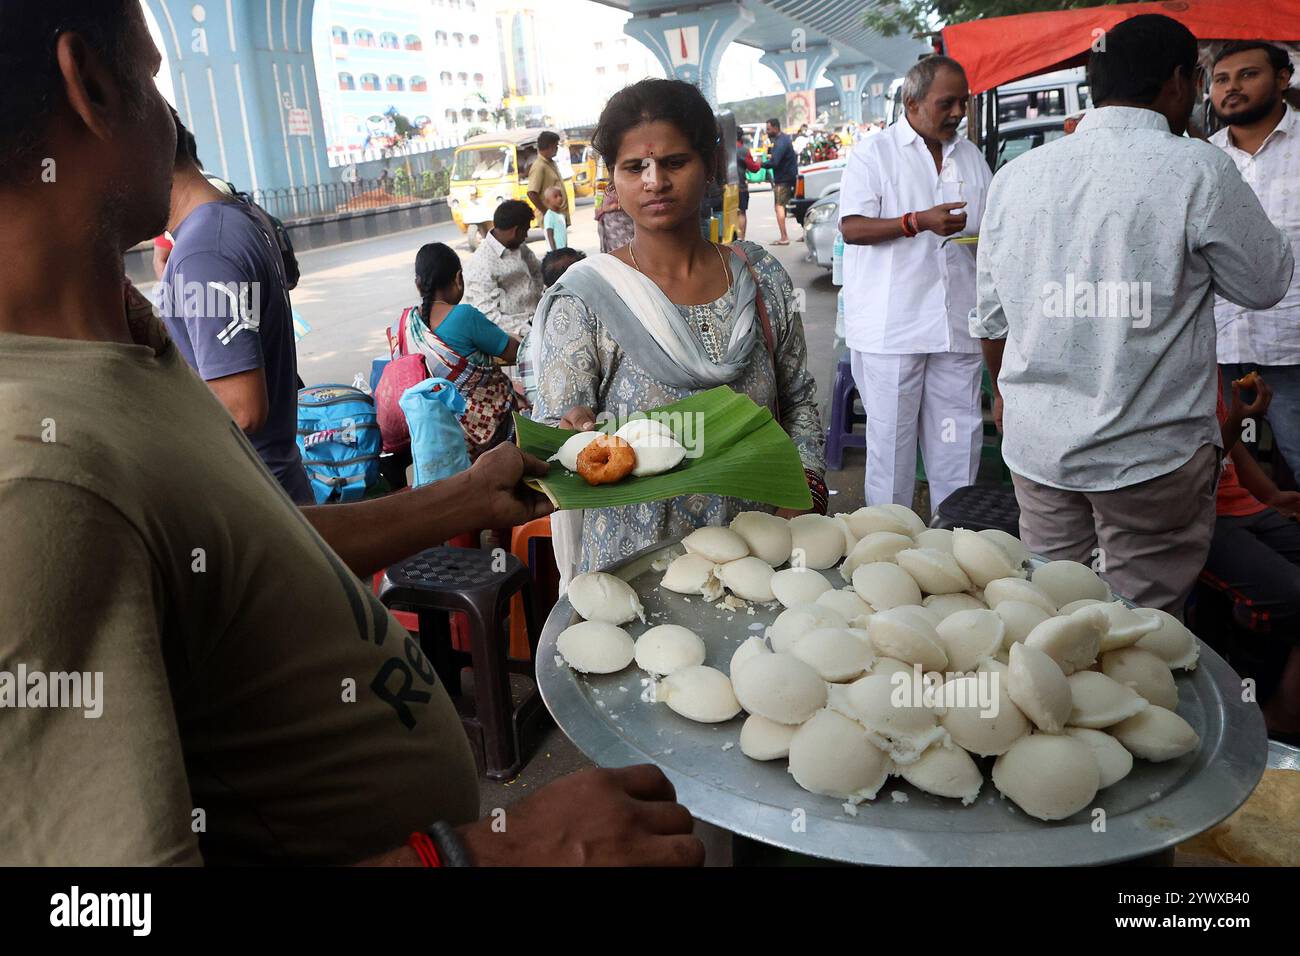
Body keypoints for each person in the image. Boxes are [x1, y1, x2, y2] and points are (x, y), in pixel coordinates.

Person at [0, 1, 702, 867]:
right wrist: (491, 856)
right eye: (151, 74)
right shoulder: (36, 477)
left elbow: (250, 549)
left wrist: (459, 494)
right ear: (92, 84)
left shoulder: (121, 336)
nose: (170, 112)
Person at [971, 14, 1294, 617]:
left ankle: (1059, 706)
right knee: (1141, 629)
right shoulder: (1199, 168)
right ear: (1180, 80)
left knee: (1052, 610)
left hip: (1039, 447)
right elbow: (1267, 283)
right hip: (1151, 455)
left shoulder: (1017, 177)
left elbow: (991, 320)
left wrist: (1003, 394)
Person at [530, 79, 826, 580]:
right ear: (613, 178)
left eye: (674, 162)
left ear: (709, 166)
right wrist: (567, 438)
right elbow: (556, 439)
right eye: (634, 167)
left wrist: (804, 493)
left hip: (759, 552)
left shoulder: (758, 277)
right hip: (637, 566)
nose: (654, 182)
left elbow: (797, 400)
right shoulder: (587, 299)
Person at [838, 55, 993, 513]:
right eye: (947, 102)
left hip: (956, 324)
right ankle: (888, 550)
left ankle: (954, 542)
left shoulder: (970, 156)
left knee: (958, 441)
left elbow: (989, 228)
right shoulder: (876, 152)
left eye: (963, 102)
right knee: (891, 447)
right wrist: (917, 222)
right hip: (894, 327)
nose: (959, 112)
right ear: (912, 101)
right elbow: (851, 228)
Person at [156, 111, 313, 503]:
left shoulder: (204, 252)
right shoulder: (236, 218)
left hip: (256, 500)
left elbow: (242, 410)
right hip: (276, 487)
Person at [1209, 42, 1300, 474]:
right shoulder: (1202, 160)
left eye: (1248, 75)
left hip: (1293, 343)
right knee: (1219, 472)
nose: (1232, 88)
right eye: (1221, 79)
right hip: (1218, 344)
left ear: (1283, 78)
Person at [1205, 371, 1300, 741]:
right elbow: (1213, 449)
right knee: (1290, 594)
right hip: (1193, 512)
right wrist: (1242, 420)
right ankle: (1269, 715)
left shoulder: (1197, 347)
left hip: (1241, 505)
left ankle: (1283, 708)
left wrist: (1269, 494)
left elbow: (1228, 444)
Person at [399, 242, 521, 457]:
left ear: (418, 285)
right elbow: (514, 352)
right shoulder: (464, 316)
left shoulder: (406, 324)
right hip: (480, 434)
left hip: (430, 431)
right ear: (458, 278)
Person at [461, 199, 544, 339]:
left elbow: (537, 271)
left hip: (538, 319)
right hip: (516, 335)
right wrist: (528, 330)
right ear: (515, 231)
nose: (526, 236)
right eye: (525, 231)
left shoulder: (519, 247)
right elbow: (488, 315)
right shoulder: (481, 264)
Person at [520, 248, 588, 409]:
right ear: (587, 277)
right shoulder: (595, 322)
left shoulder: (529, 342)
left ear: (546, 285)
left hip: (545, 424)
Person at [762, 118, 798, 246]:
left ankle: (784, 237)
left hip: (783, 179)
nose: (767, 132)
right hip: (789, 176)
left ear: (776, 128)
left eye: (768, 129)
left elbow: (774, 162)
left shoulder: (780, 142)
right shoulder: (783, 139)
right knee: (790, 206)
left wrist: (760, 164)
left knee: (779, 206)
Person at [526, 130, 569, 229]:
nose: (557, 149)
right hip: (551, 220)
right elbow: (531, 192)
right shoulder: (539, 166)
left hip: (558, 216)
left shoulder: (550, 163)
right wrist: (546, 212)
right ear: (549, 146)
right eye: (556, 146)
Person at [595, 180, 635, 253]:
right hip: (612, 225)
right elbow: (604, 206)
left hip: (623, 225)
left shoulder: (626, 187)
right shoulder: (609, 189)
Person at [736, 133, 761, 240]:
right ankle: (741, 240)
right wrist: (759, 161)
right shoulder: (744, 150)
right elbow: (754, 168)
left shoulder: (723, 149)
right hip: (740, 186)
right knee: (741, 212)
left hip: (724, 188)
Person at [543, 184, 568, 251]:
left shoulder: (561, 215)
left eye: (560, 195)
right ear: (547, 201)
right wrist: (554, 251)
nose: (559, 198)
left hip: (563, 249)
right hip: (555, 251)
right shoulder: (549, 215)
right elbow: (549, 235)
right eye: (555, 196)